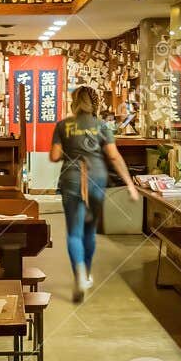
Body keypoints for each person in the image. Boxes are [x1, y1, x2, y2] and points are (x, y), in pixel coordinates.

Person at [49, 86, 131, 302]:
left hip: (72, 178)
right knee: (90, 230)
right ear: (94, 104)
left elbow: (55, 156)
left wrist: (69, 147)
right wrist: (130, 184)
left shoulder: (63, 125)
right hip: (97, 178)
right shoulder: (102, 126)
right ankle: (87, 272)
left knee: (74, 232)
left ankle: (80, 275)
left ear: (74, 102)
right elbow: (113, 156)